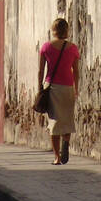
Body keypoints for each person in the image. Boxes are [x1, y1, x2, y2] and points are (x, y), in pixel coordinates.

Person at [37, 17, 80, 165]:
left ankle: (56, 156)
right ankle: (66, 142)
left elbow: (41, 70)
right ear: (66, 30)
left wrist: (39, 87)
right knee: (67, 119)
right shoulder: (73, 48)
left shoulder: (46, 47)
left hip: (52, 87)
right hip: (68, 87)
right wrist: (77, 88)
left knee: (54, 122)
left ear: (53, 30)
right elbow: (76, 71)